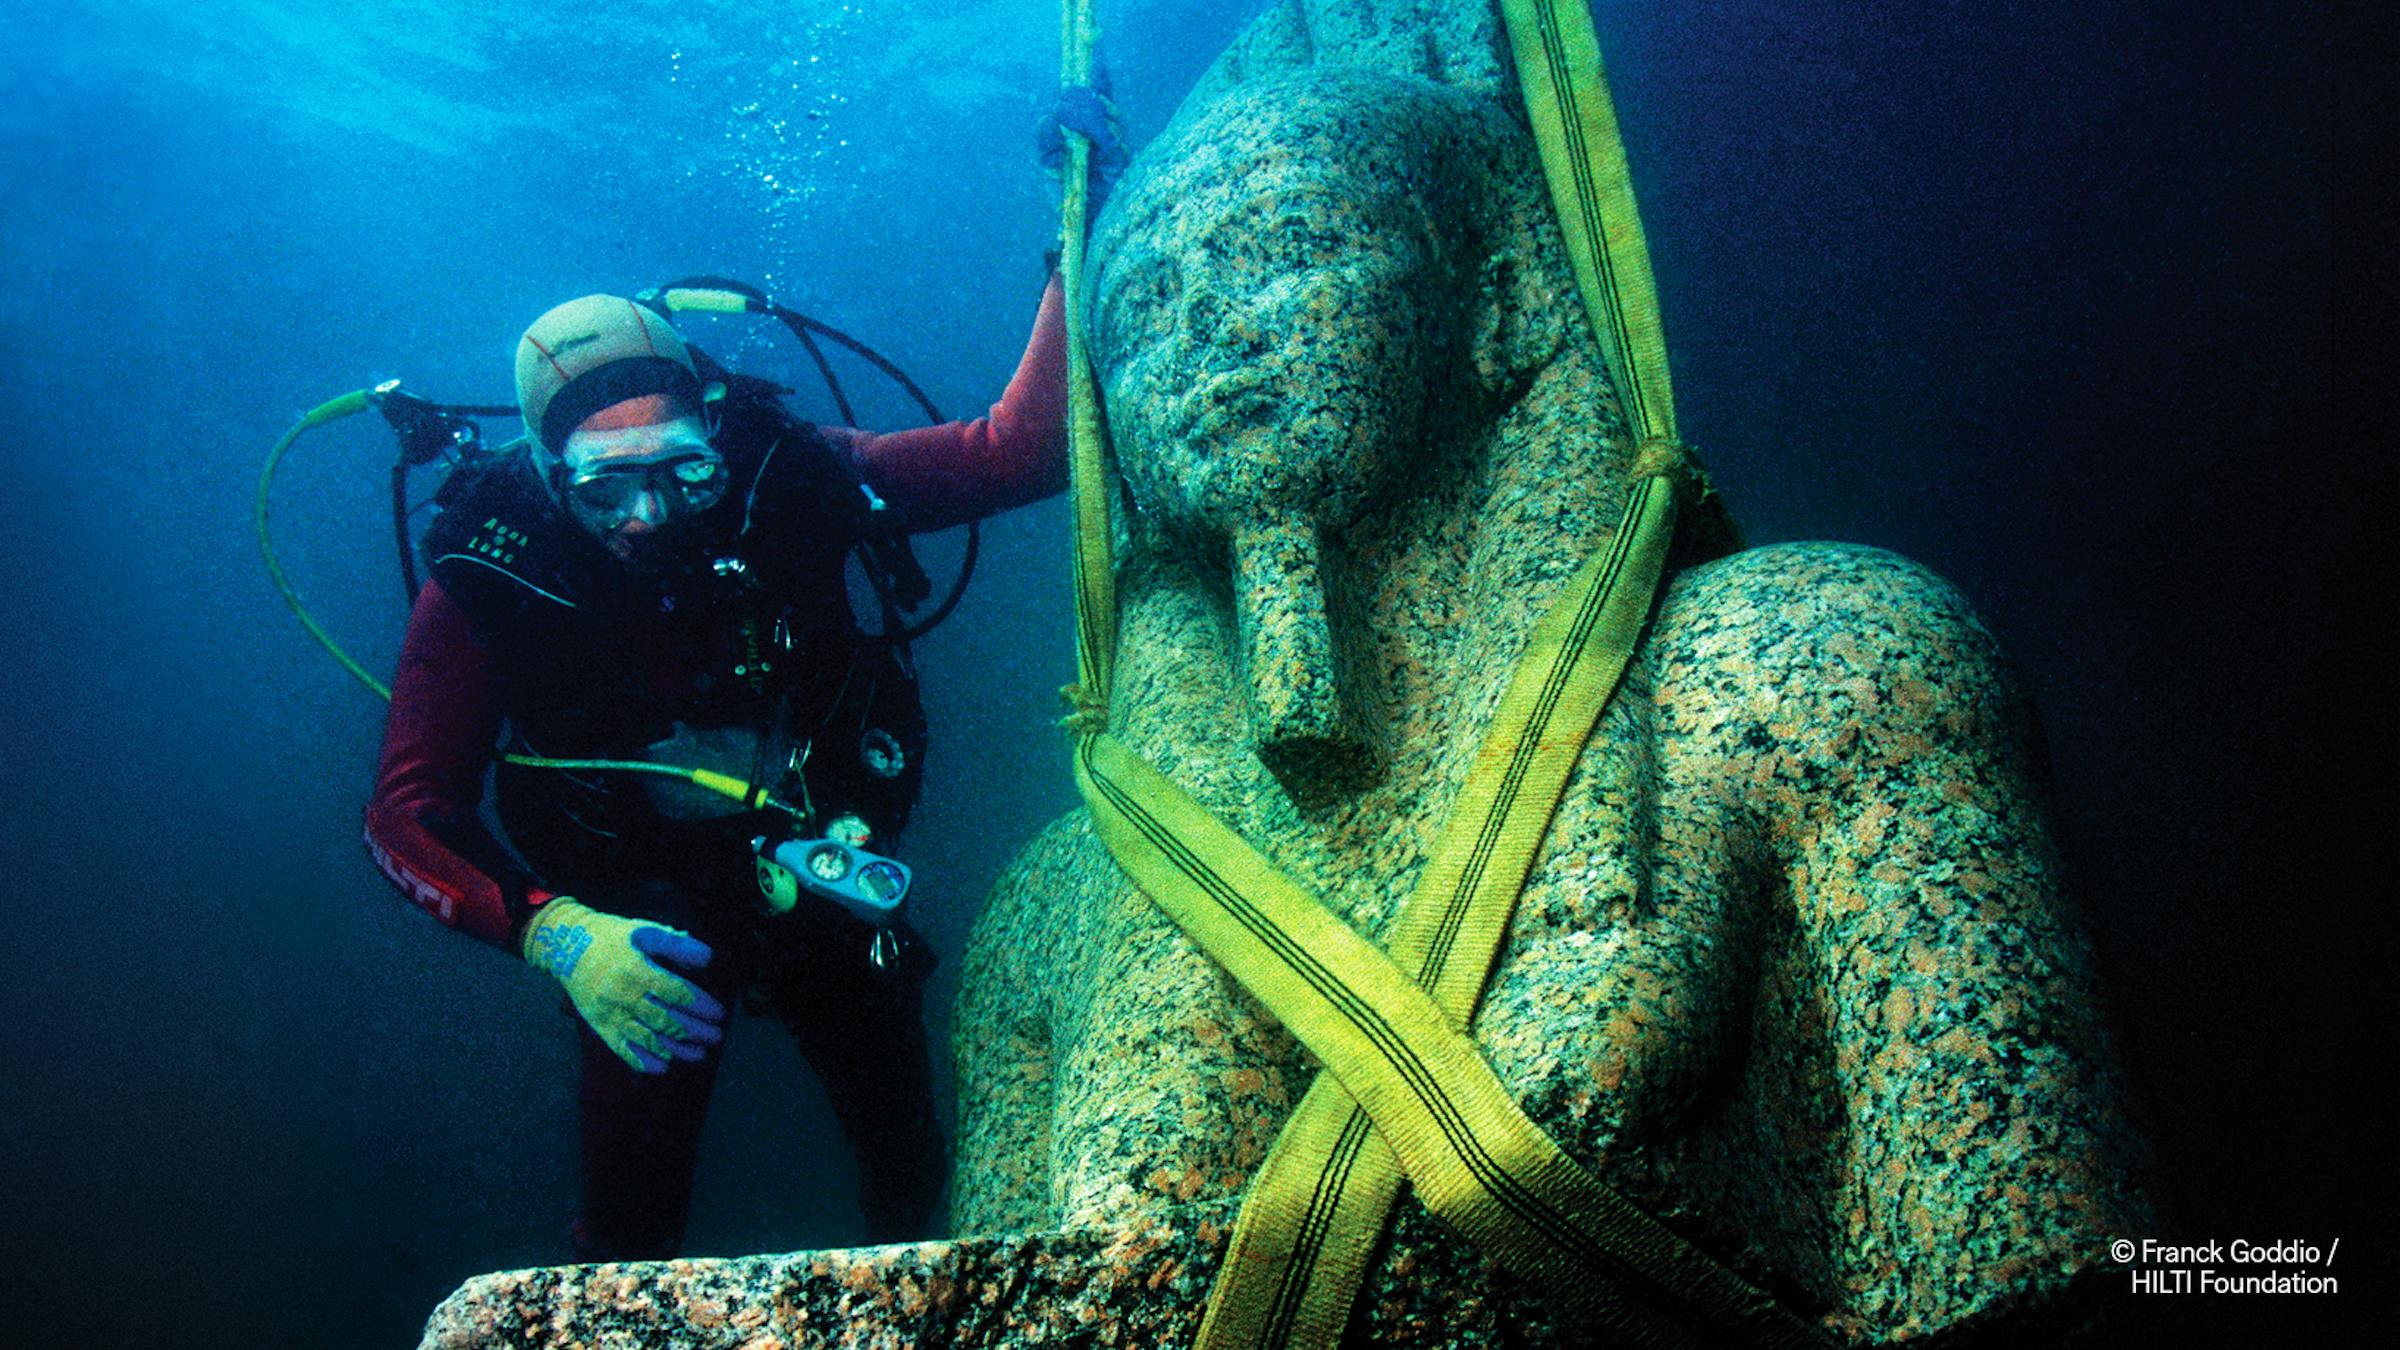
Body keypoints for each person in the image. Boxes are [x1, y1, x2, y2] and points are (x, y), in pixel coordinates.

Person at [364, 257, 1077, 1257]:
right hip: (635, 927)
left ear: (714, 424)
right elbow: (403, 816)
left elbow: (1019, 454)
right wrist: (557, 936)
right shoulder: (494, 566)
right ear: (543, 463)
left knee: (909, 1177)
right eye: (606, 489)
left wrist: (1063, 252)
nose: (648, 517)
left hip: (817, 872)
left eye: (681, 470)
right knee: (626, 1236)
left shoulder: (787, 474)